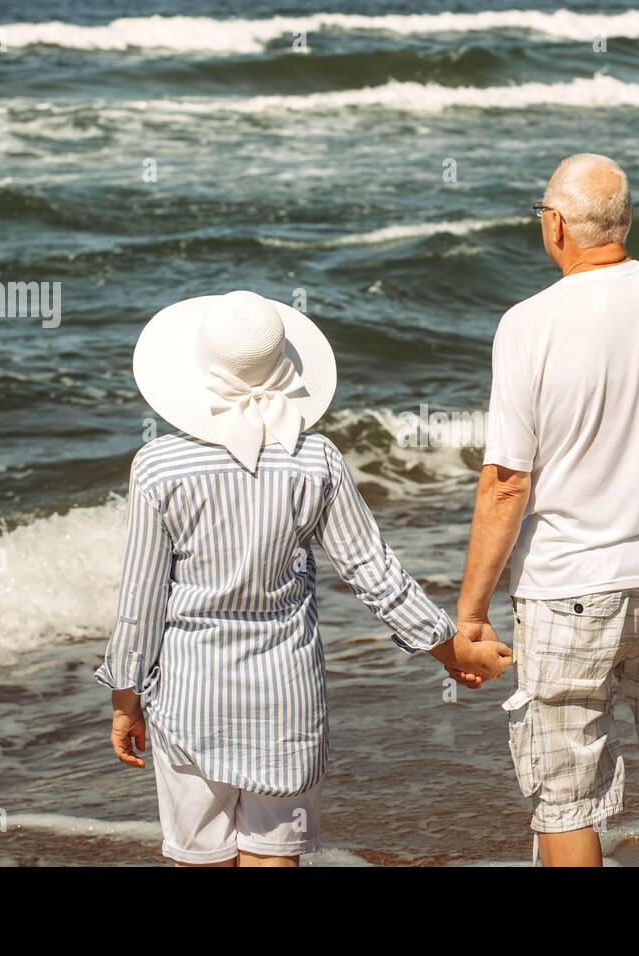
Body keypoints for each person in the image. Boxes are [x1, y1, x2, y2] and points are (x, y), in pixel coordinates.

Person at [95, 290, 511, 867]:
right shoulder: (314, 458)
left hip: (190, 698)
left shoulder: (159, 466)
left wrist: (125, 697)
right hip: (285, 701)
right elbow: (374, 571)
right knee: (274, 859)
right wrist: (451, 650)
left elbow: (140, 601)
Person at [447, 153, 639, 867]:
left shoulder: (528, 323)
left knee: (567, 796)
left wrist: (468, 612)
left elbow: (505, 482)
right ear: (623, 223)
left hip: (565, 587)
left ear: (555, 225)